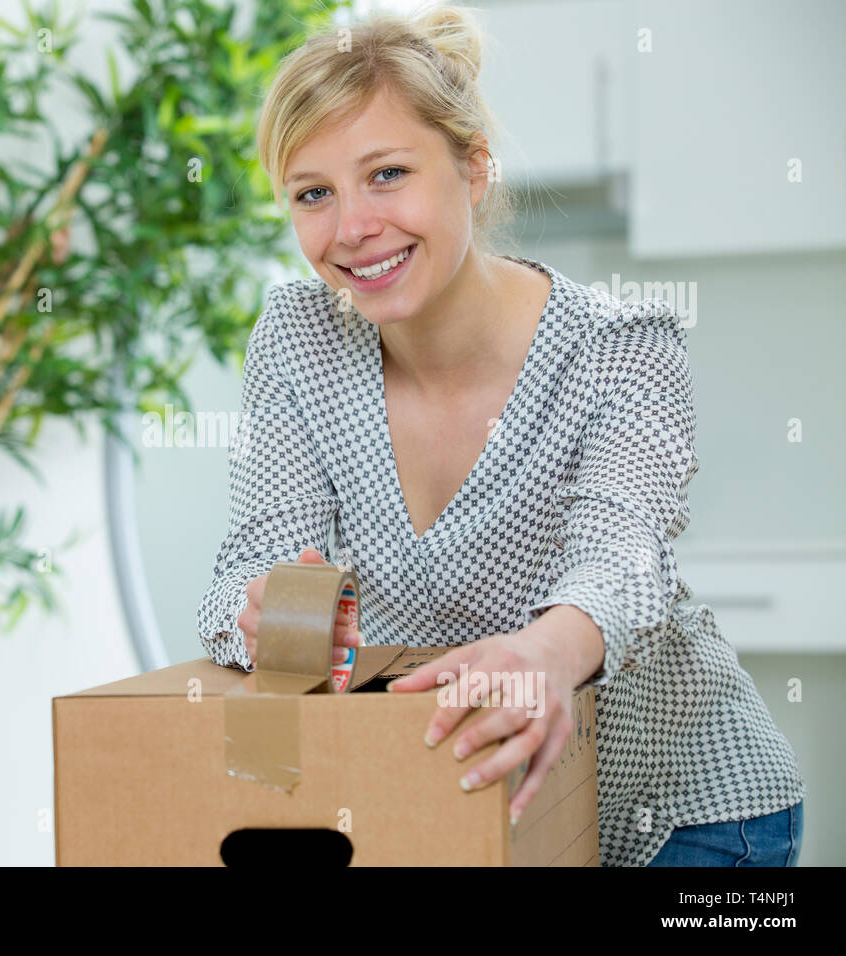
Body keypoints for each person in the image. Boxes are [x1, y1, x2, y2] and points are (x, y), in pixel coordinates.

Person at [196, 5, 806, 867]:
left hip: (683, 814)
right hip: (473, 811)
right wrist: (256, 615)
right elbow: (250, 569)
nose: (351, 228)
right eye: (313, 193)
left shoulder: (619, 348)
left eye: (387, 174)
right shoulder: (298, 341)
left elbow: (624, 558)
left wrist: (545, 651)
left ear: (475, 165)